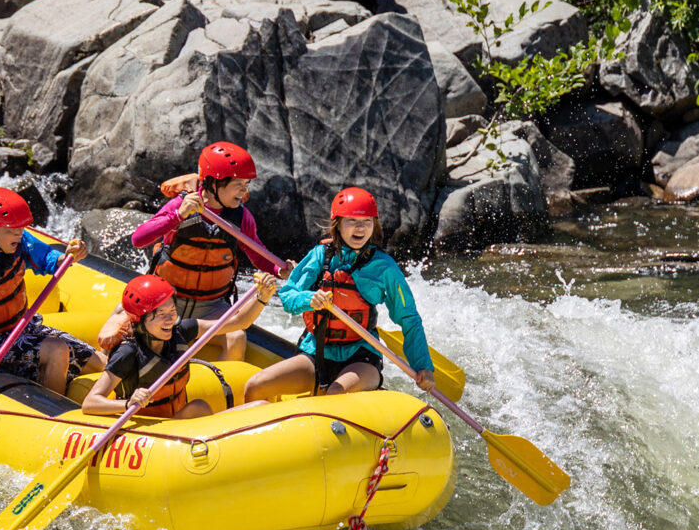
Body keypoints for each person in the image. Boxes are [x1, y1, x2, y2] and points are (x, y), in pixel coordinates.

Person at [243, 187, 435, 402]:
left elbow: (409, 318)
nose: (360, 227)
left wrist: (423, 366)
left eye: (367, 221)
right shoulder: (320, 256)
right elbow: (288, 296)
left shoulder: (385, 267)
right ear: (338, 224)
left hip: (361, 356)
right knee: (255, 385)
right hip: (316, 351)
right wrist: (309, 299)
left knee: (335, 393)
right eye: (352, 220)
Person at [98, 142, 282, 362]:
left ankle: (218, 388)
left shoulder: (241, 218)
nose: (245, 192)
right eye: (239, 184)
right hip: (166, 299)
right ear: (214, 183)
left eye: (246, 184)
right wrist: (177, 216)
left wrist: (280, 269)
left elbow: (258, 255)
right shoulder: (180, 206)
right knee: (120, 324)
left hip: (211, 305)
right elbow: (139, 239)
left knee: (236, 338)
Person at [0, 187, 106, 399]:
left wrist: (67, 257)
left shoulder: (14, 240)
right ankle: (51, 413)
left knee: (100, 363)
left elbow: (45, 258)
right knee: (57, 351)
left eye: (21, 228)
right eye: (11, 230)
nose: (19, 234)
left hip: (20, 329)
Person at [82, 272, 278, 419]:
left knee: (212, 407)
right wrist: (128, 404)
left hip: (177, 420)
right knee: (198, 408)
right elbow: (90, 403)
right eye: (161, 314)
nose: (170, 319)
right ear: (140, 319)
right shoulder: (128, 353)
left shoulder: (181, 330)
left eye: (172, 310)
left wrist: (262, 298)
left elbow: (238, 323)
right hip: (146, 431)